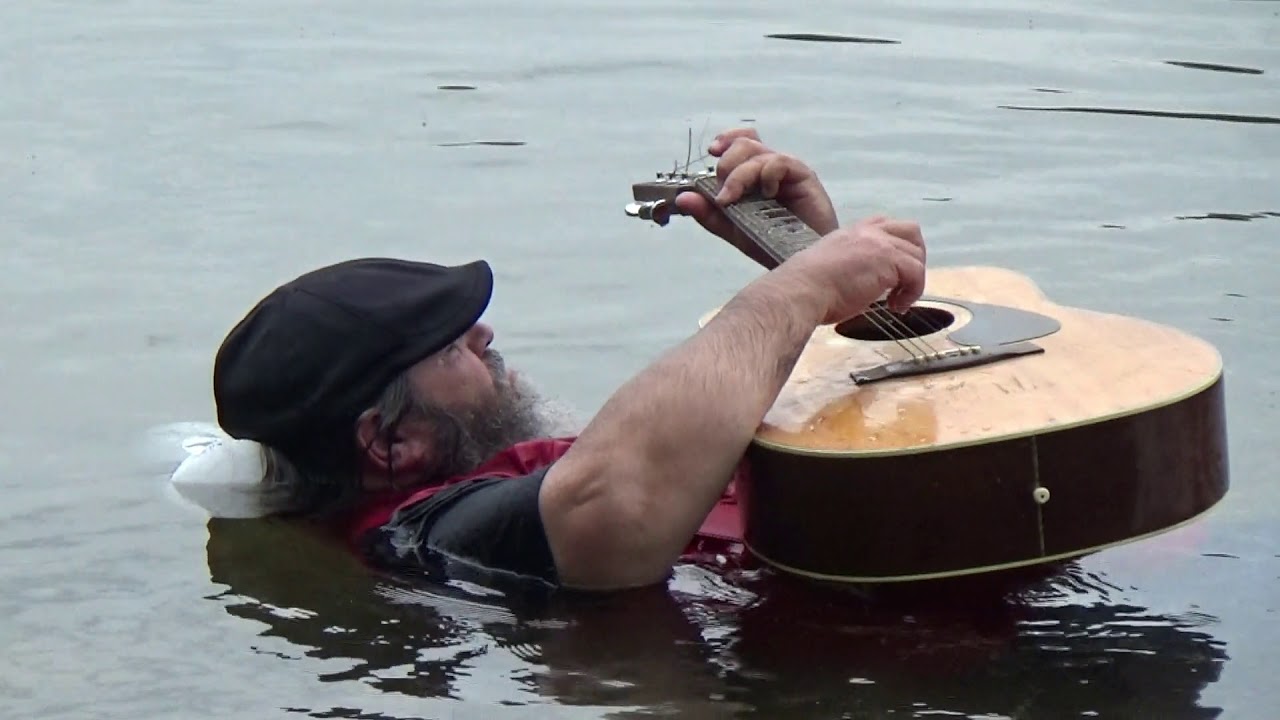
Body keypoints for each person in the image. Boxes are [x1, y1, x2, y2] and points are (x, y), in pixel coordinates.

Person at [212, 128, 927, 592]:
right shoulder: (431, 535)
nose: (485, 336)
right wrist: (797, 289)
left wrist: (811, 262)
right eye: (451, 346)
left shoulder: (525, 465)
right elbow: (612, 500)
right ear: (393, 442)